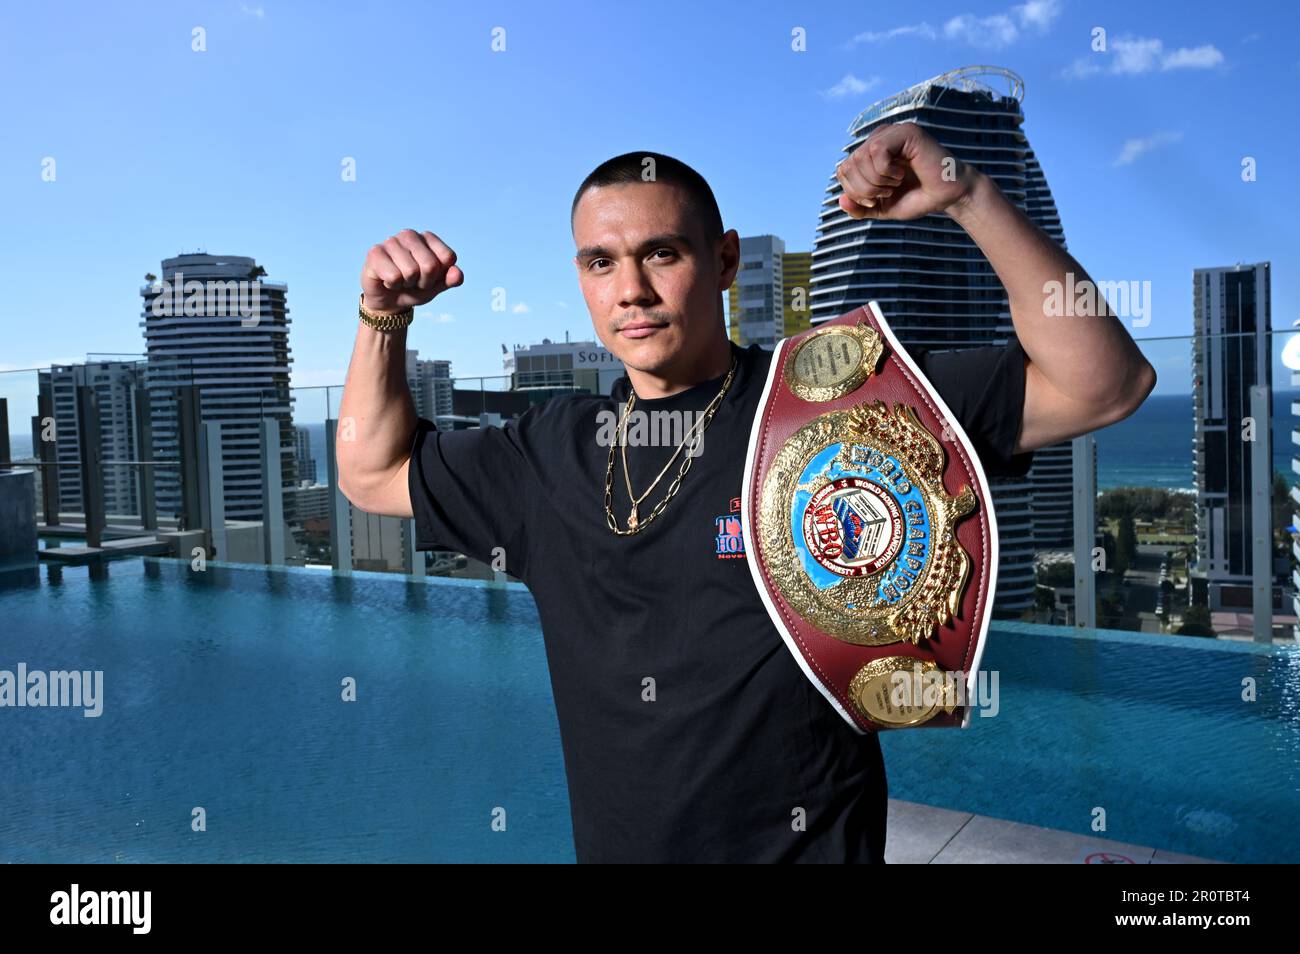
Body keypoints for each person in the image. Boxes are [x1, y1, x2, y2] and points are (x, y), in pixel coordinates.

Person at [335, 122, 1156, 863]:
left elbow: (1106, 386)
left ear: (724, 260)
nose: (632, 291)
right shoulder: (550, 451)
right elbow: (369, 474)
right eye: (601, 262)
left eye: (663, 253)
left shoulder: (844, 403)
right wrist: (382, 318)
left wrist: (972, 197)